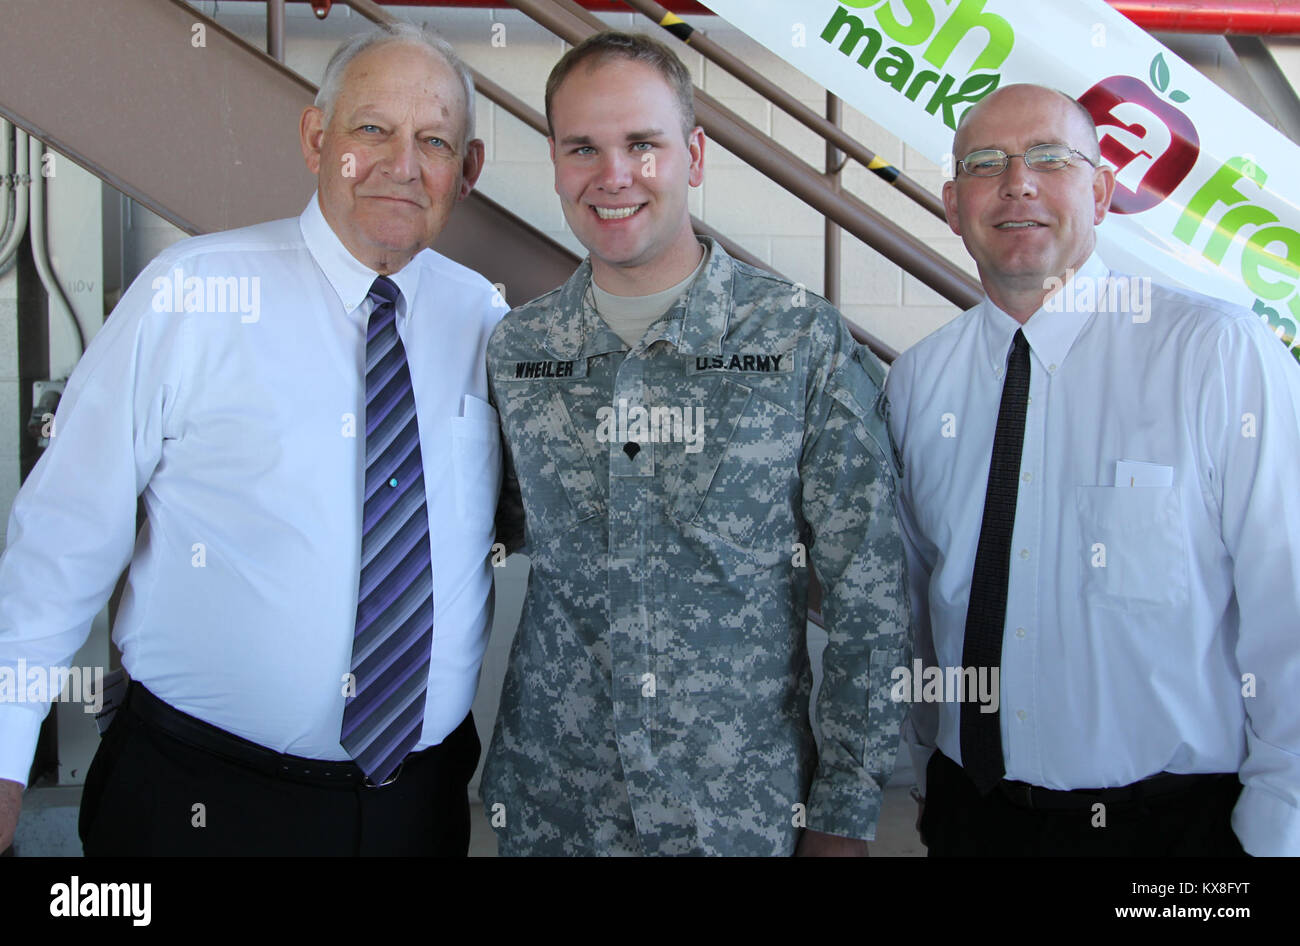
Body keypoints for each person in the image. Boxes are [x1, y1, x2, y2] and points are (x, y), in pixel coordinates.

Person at [0, 23, 508, 855]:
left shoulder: (485, 320)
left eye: (435, 141)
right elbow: (62, 535)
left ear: (469, 171)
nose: (402, 164)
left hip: (414, 808)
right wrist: (6, 758)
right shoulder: (192, 293)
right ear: (317, 139)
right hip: (198, 803)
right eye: (371, 129)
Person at [479, 31, 908, 857]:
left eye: (643, 144)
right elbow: (490, 530)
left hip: (739, 816)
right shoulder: (519, 352)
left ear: (695, 156)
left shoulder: (794, 340)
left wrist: (846, 810)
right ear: (557, 163)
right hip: (557, 811)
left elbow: (869, 591)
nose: (614, 175)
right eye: (583, 148)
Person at [885, 82, 1300, 856]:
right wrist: (923, 774)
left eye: (1050, 158)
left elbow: (1289, 608)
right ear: (951, 204)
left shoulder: (1216, 356)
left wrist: (1281, 827)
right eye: (985, 163)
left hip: (1175, 832)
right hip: (972, 818)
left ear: (1104, 192)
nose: (1018, 183)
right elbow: (917, 612)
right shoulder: (917, 382)